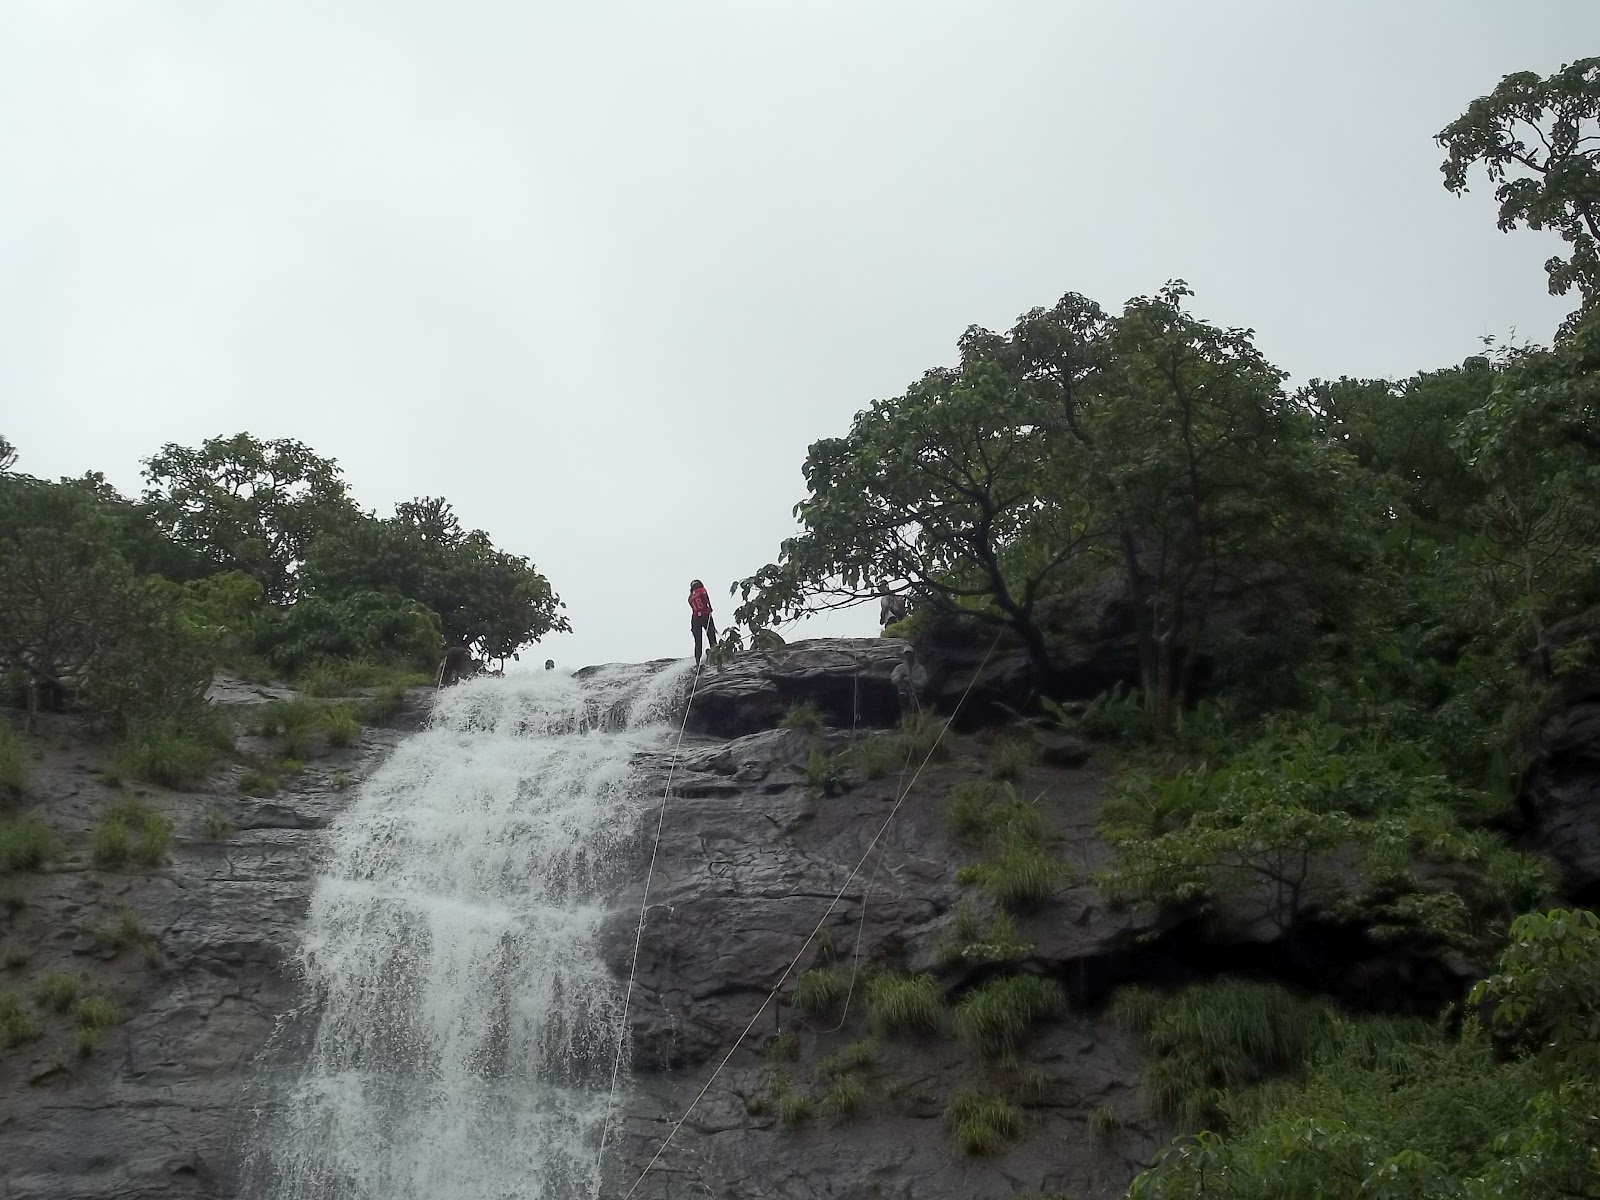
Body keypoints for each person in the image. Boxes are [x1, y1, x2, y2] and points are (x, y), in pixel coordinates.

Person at [890, 644, 928, 715]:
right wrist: (900, 677)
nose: (908, 656)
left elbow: (924, 682)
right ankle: (905, 722)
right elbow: (893, 680)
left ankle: (916, 722)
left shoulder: (921, 668)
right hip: (903, 694)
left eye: (910, 653)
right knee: (905, 712)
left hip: (917, 694)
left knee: (916, 713)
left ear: (913, 654)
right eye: (906, 654)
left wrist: (913, 682)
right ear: (904, 655)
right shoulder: (899, 667)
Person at [688, 579, 719, 664]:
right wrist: (710, 606)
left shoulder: (690, 597)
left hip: (695, 619)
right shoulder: (702, 590)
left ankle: (698, 661)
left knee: (698, 641)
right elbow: (705, 596)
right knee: (711, 636)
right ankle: (716, 657)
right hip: (705, 615)